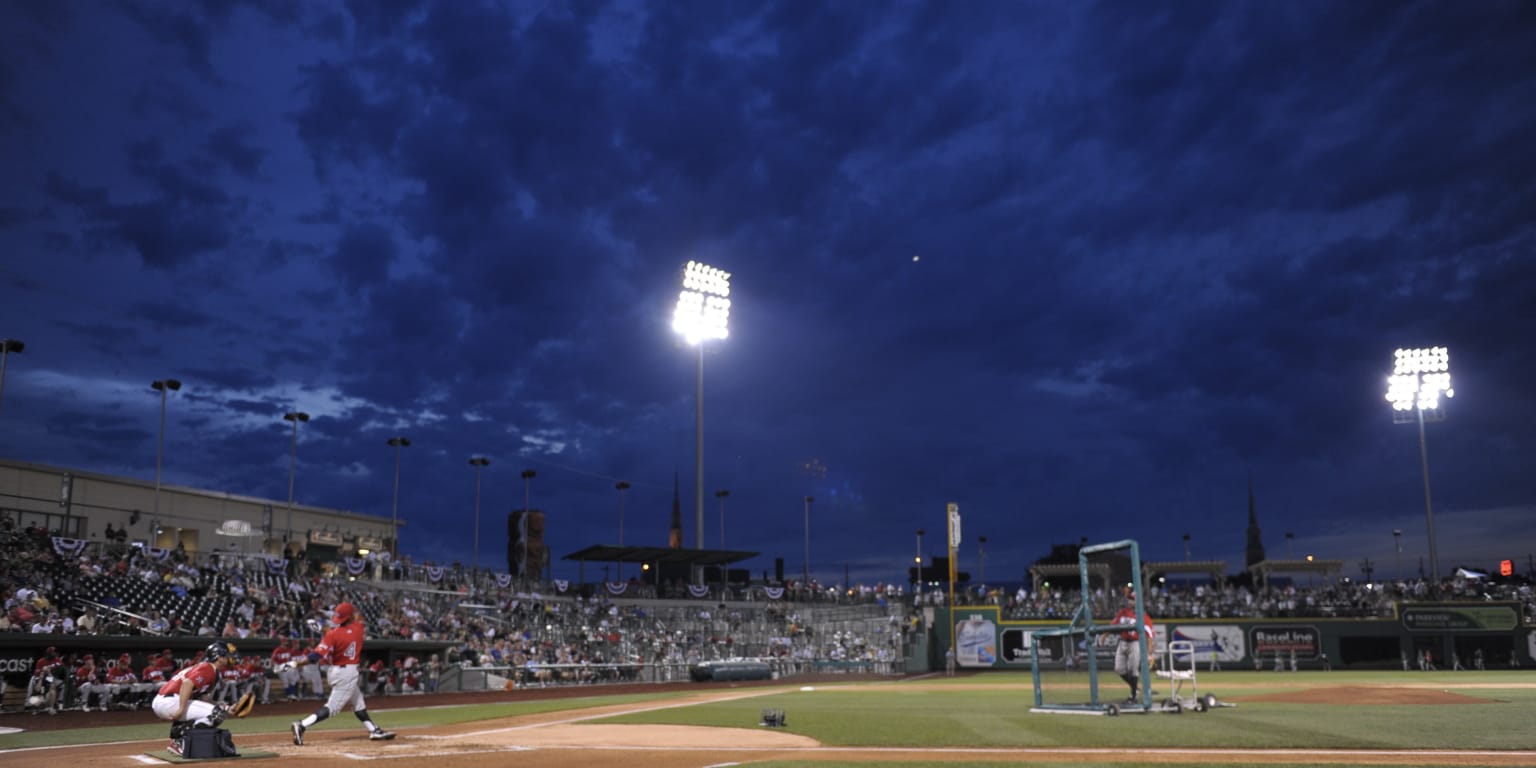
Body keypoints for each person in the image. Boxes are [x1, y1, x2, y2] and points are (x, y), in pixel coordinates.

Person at [291, 602, 395, 745]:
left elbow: (315, 657)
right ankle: (302, 725)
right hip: (348, 673)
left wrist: (295, 663)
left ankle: (374, 730)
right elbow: (349, 621)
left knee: (358, 702)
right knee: (332, 708)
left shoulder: (332, 635)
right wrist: (325, 618)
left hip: (335, 671)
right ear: (350, 616)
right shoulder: (359, 627)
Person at [152, 642, 238, 756]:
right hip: (170, 701)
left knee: (216, 712)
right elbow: (187, 684)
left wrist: (227, 708)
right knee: (217, 714)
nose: (228, 657)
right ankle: (180, 741)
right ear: (218, 657)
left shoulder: (210, 669)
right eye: (226, 655)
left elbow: (203, 699)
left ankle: (177, 739)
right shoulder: (208, 668)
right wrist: (181, 709)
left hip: (167, 700)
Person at [1111, 586, 1154, 704]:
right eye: (1130, 599)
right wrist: (1104, 636)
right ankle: (1135, 688)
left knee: (1133, 669)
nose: (1131, 601)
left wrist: (1150, 653)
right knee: (1119, 668)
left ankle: (1133, 695)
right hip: (1123, 642)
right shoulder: (1123, 612)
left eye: (1133, 599)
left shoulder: (1143, 617)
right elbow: (1112, 625)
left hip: (1135, 643)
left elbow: (1149, 636)